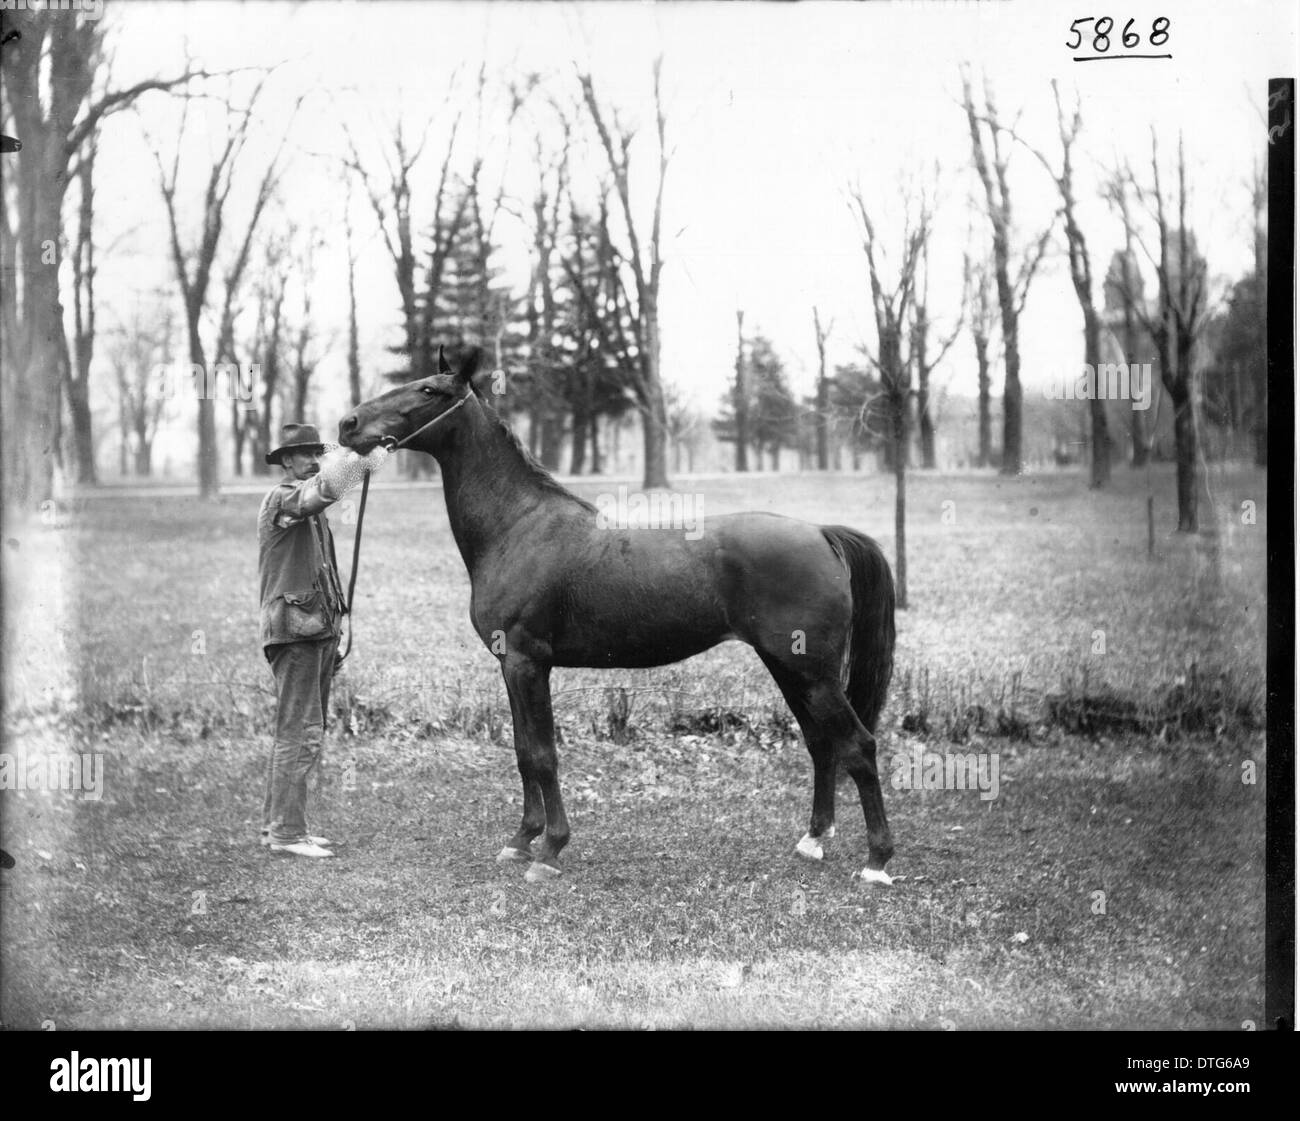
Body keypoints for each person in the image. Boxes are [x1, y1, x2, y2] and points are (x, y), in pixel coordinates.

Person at [258, 422, 388, 858]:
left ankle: (281, 826)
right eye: (303, 454)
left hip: (316, 630)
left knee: (301, 732)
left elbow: (325, 574)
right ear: (286, 462)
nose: (312, 460)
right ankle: (287, 835)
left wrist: (336, 629)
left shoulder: (310, 511)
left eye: (317, 452)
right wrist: (362, 459)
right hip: (294, 633)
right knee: (300, 732)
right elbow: (324, 489)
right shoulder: (284, 499)